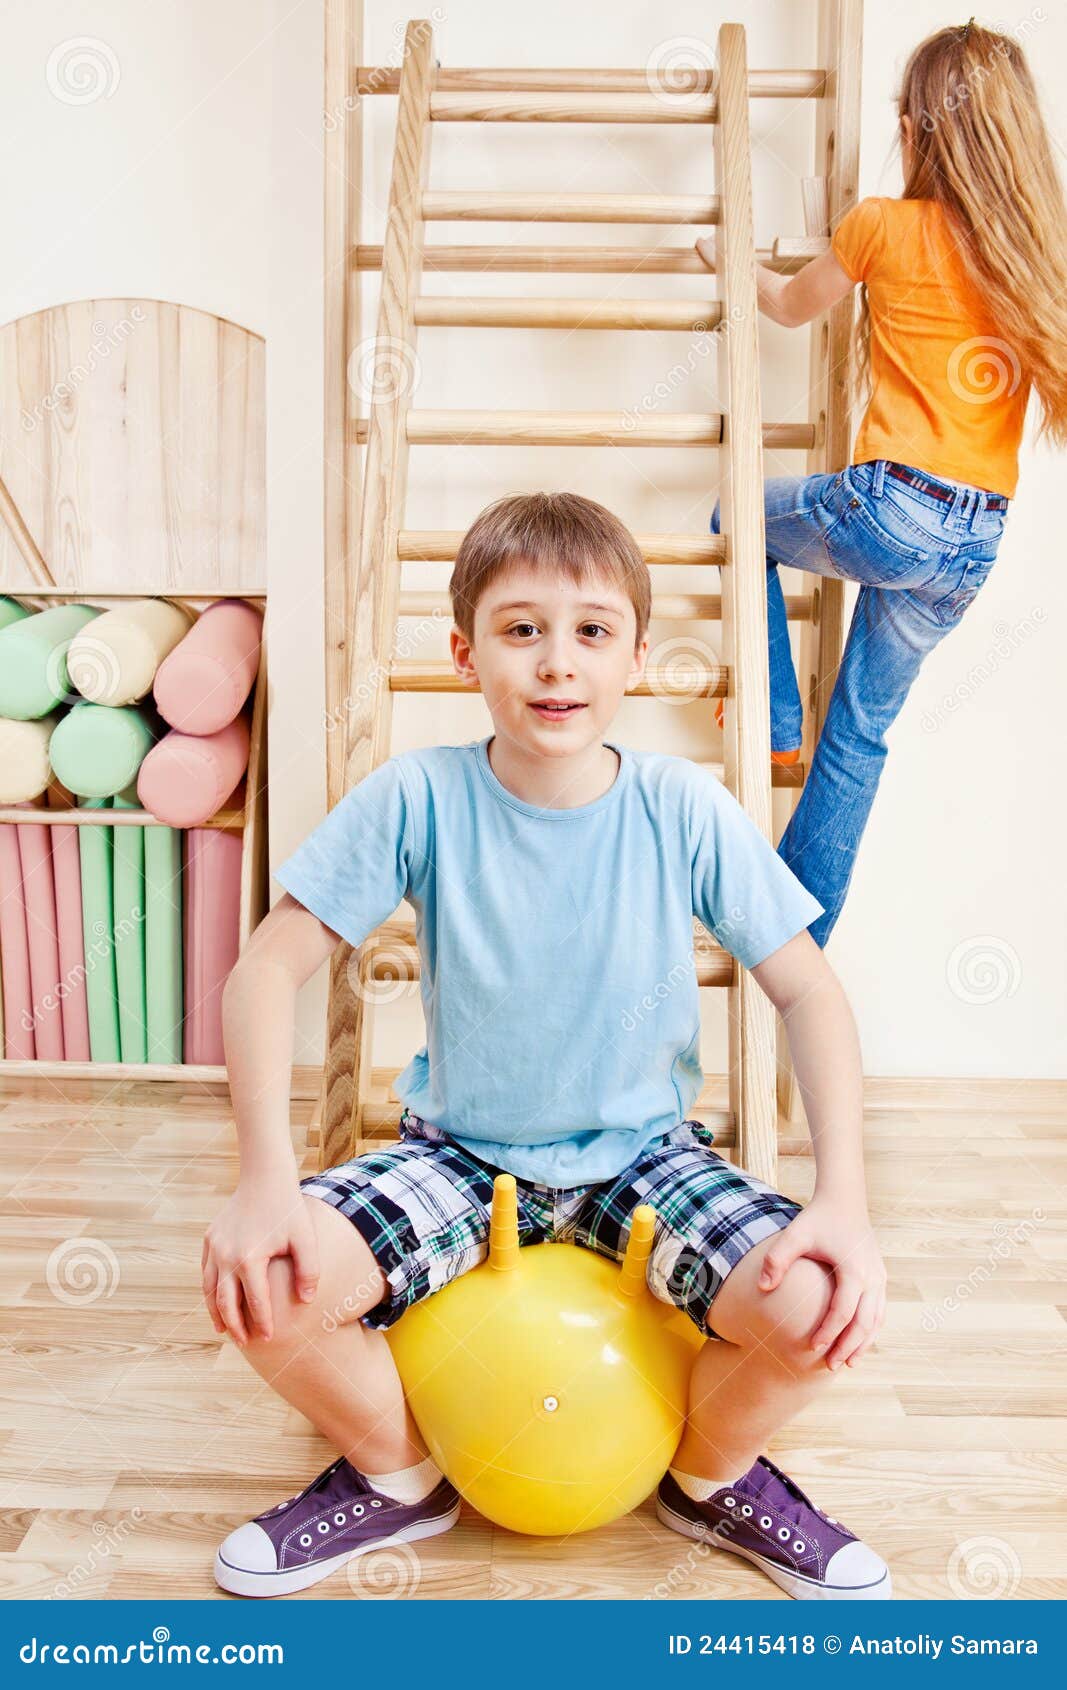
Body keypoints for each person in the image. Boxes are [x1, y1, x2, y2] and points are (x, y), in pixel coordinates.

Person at [204, 491, 889, 1600]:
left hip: (645, 1159)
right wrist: (262, 1186)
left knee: (820, 1303)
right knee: (259, 1280)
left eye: (590, 631)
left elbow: (808, 991)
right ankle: (396, 1476)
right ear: (466, 651)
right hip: (460, 1159)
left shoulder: (685, 805)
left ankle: (708, 1477)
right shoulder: (417, 795)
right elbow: (265, 967)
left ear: (630, 658)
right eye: (522, 630)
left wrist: (841, 1201)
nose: (555, 663)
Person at [697, 20, 1067, 947]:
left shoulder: (881, 226)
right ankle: (797, 947)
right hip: (973, 545)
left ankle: (776, 717)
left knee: (727, 510)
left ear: (913, 131)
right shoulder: (1031, 259)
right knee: (858, 740)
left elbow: (784, 307)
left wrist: (728, 261)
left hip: (893, 510)